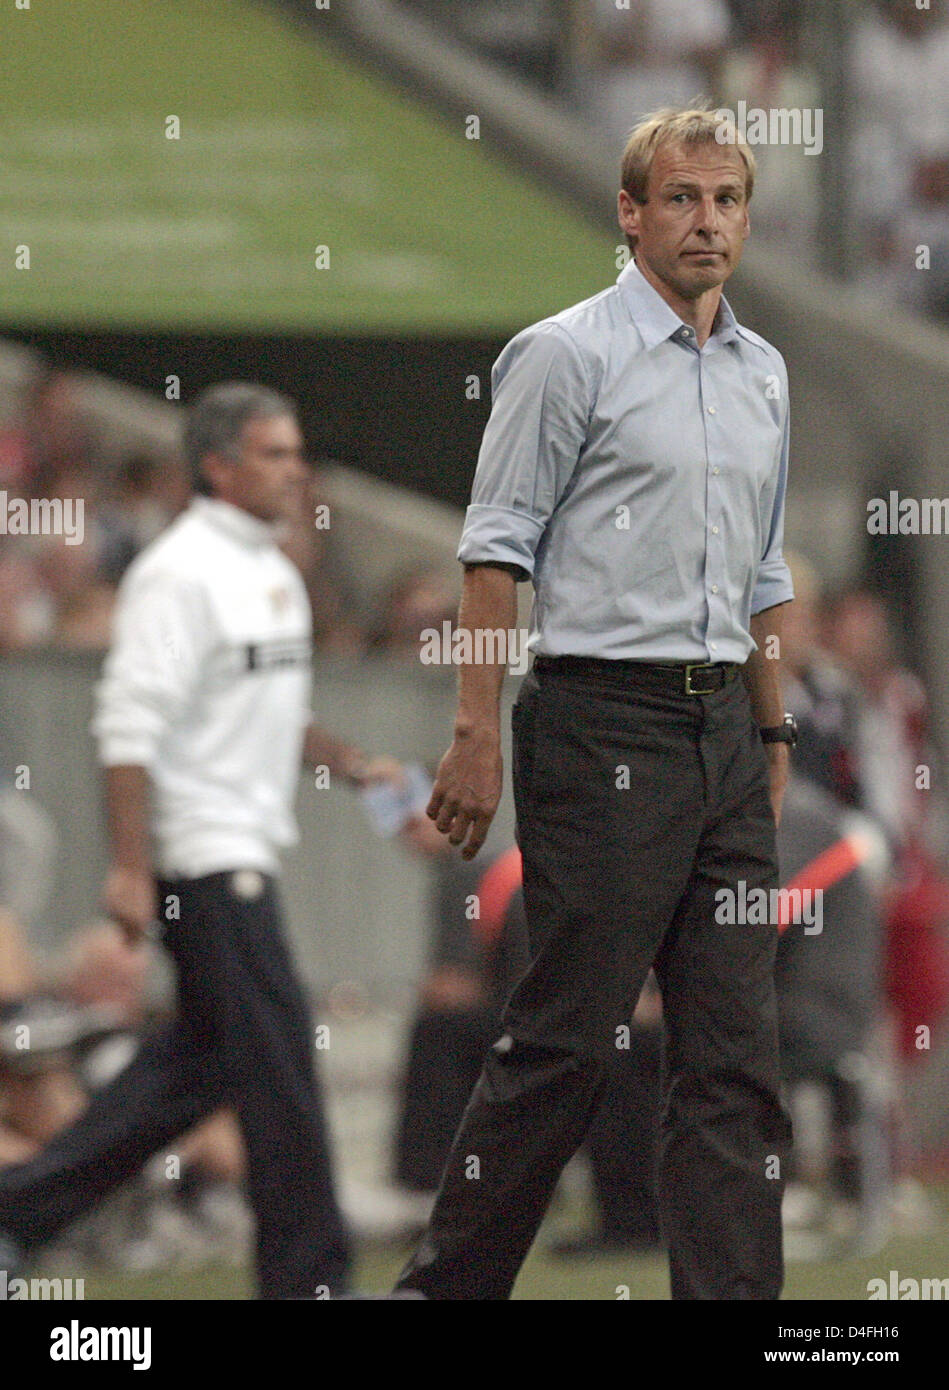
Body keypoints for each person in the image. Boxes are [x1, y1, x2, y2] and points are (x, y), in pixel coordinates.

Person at [395, 106, 797, 1301]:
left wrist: (770, 729)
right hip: (597, 722)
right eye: (680, 199)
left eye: (725, 201)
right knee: (566, 1046)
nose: (706, 223)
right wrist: (474, 732)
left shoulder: (765, 371)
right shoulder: (562, 354)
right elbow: (494, 550)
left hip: (723, 725)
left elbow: (762, 573)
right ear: (629, 213)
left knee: (734, 1063)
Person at [0, 382, 401, 1299]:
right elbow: (125, 728)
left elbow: (272, 714)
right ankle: (311, 1283)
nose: (295, 471)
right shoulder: (178, 573)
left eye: (296, 454)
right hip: (205, 863)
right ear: (217, 467)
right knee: (283, 1071)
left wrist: (357, 766)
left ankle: (16, 1212)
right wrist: (135, 869)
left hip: (241, 853)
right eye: (273, 454)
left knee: (198, 1065)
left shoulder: (266, 570)